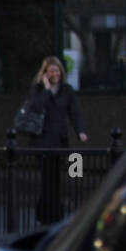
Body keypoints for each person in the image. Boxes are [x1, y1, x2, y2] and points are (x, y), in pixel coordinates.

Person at [24, 55, 88, 225]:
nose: (55, 73)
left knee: (56, 179)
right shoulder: (38, 89)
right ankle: (45, 215)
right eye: (51, 71)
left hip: (59, 141)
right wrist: (46, 89)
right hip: (42, 142)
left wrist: (80, 131)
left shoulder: (67, 90)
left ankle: (55, 215)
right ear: (45, 73)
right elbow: (36, 107)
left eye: (57, 70)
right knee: (46, 179)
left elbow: (75, 113)